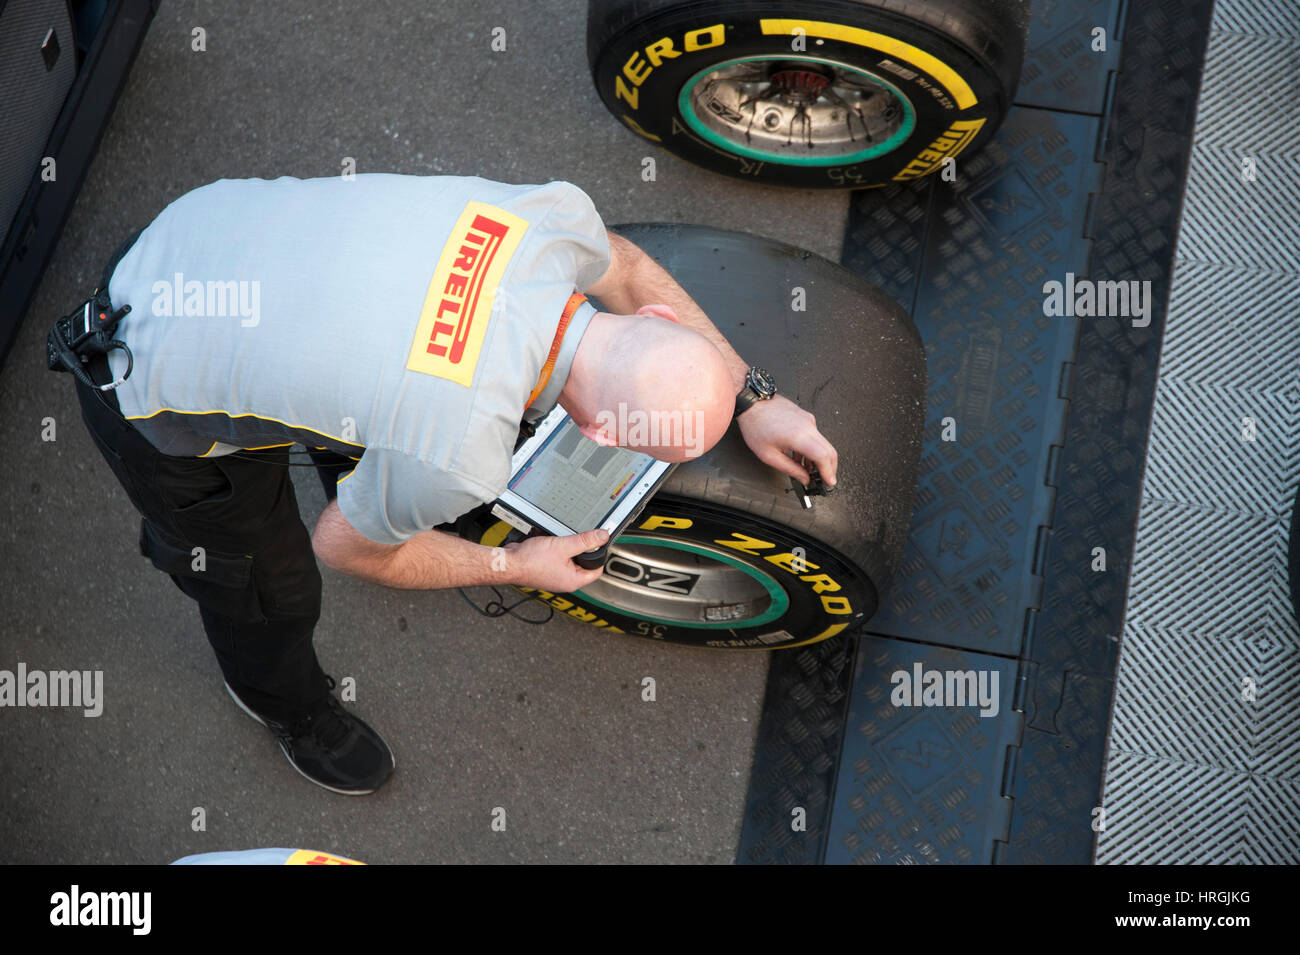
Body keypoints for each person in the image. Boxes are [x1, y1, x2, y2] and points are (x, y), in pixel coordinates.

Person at [56, 173, 838, 795]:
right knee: (271, 586)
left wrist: (755, 398)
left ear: (657, 320)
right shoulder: (461, 455)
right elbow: (346, 548)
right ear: (598, 435)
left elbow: (627, 266)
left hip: (189, 228)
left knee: (383, 411)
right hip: (146, 381)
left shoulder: (553, 217)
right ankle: (286, 706)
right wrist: (518, 565)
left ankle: (365, 468)